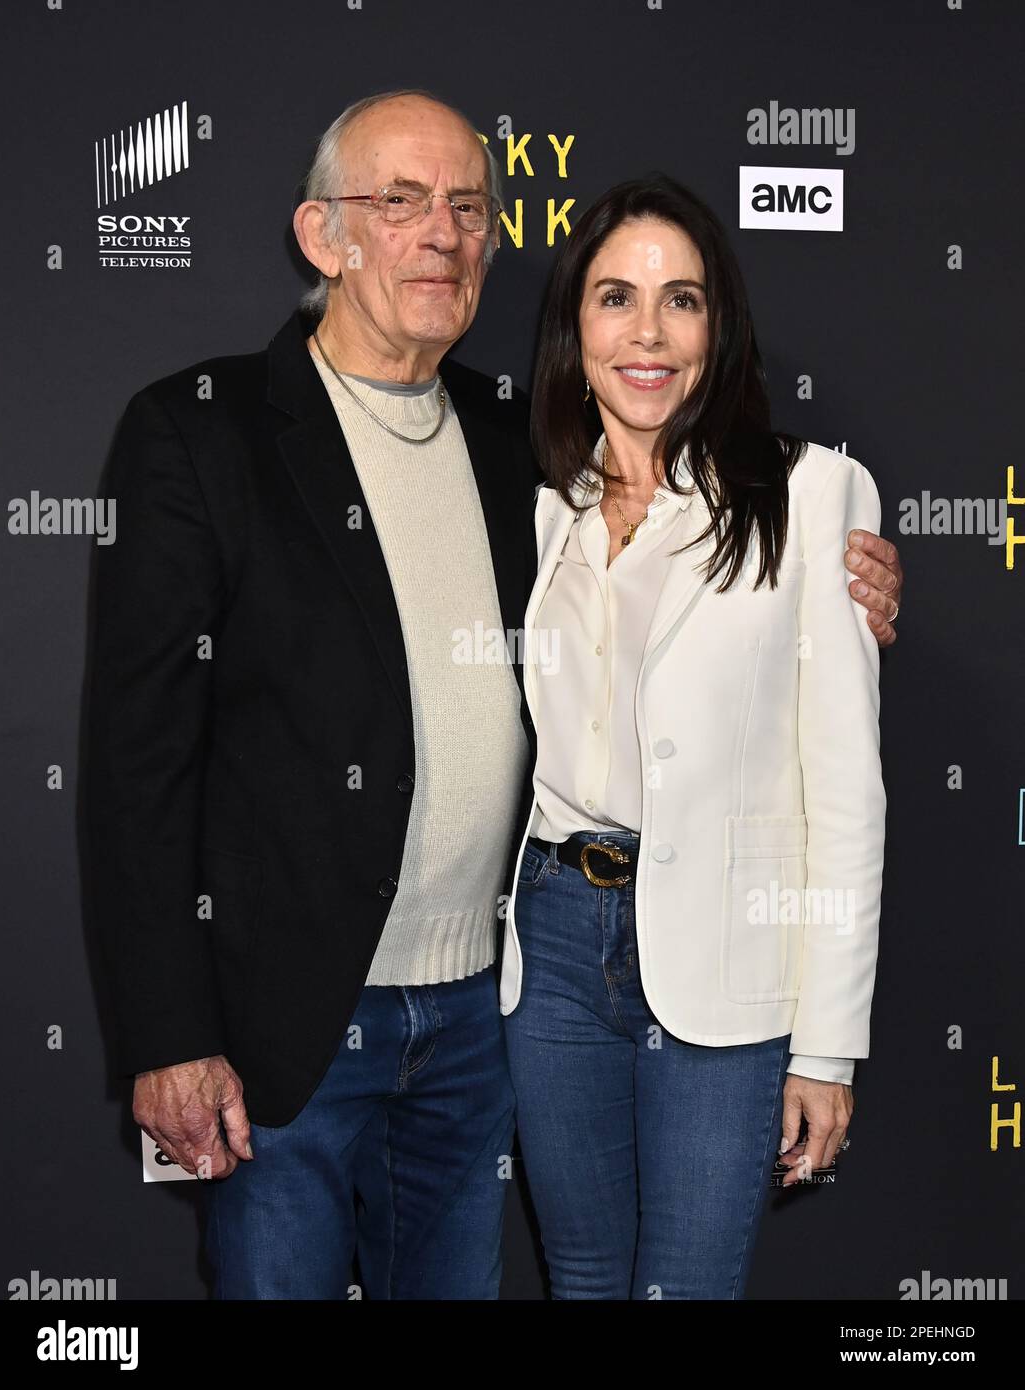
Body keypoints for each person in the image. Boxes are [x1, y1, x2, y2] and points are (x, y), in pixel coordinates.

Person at [85, 90, 903, 1300]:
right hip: (286, 1027)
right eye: (400, 202)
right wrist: (168, 1035)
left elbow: (737, 606)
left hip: (478, 1012)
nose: (442, 233)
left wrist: (855, 581)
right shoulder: (199, 434)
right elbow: (135, 765)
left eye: (469, 206)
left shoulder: (513, 438)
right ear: (324, 236)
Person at [500, 173, 889, 1299]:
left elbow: (847, 794)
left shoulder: (813, 496)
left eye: (684, 299)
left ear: (720, 329)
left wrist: (827, 1047)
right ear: (575, 328)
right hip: (559, 939)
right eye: (617, 297)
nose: (650, 332)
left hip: (728, 948)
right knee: (580, 1277)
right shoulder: (538, 506)